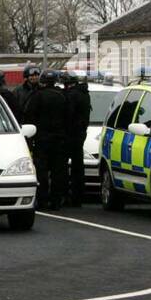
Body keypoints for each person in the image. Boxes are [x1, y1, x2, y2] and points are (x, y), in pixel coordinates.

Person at [23, 70, 68, 210]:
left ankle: (42, 199)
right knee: (58, 170)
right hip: (59, 139)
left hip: (42, 138)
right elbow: (69, 116)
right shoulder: (62, 96)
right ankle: (56, 200)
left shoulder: (37, 96)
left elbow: (29, 115)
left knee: (41, 170)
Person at [62, 73, 92, 207]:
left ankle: (66, 195)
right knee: (78, 166)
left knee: (62, 166)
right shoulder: (85, 94)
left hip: (69, 134)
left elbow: (68, 115)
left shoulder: (72, 95)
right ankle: (78, 196)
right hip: (80, 133)